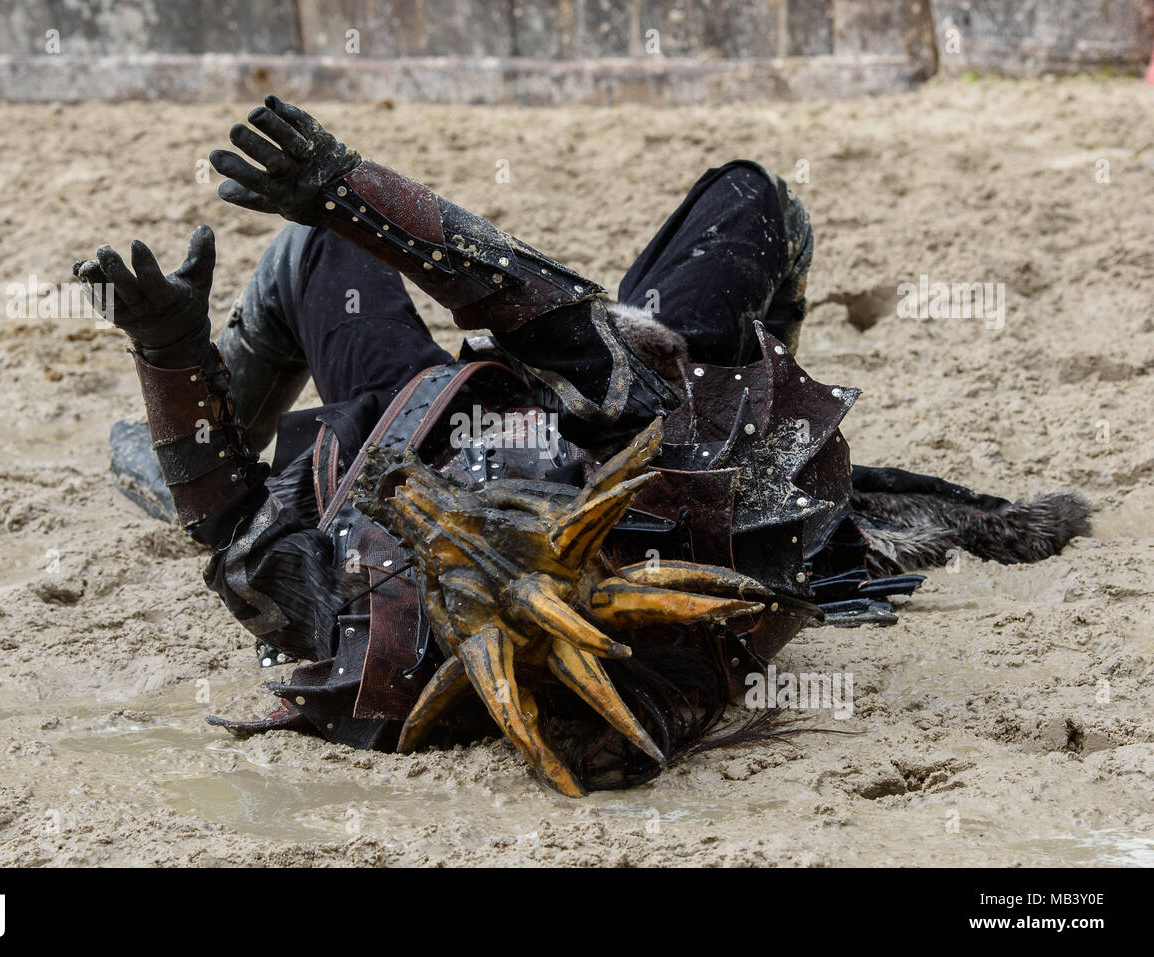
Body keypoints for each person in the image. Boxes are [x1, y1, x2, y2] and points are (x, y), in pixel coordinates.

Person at [75, 98, 1087, 790]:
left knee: (313, 248)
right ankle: (754, 360)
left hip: (399, 426)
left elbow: (228, 522)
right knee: (748, 200)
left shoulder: (367, 613)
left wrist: (169, 355)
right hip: (616, 416)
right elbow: (545, 308)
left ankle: (242, 428)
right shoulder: (662, 464)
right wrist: (349, 181)